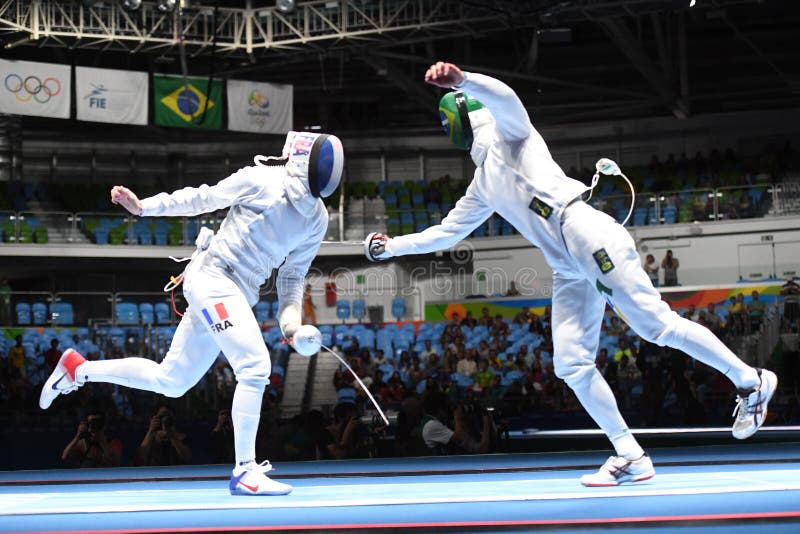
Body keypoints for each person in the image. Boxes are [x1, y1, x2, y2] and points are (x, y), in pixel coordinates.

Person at [364, 61, 777, 486]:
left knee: (657, 327)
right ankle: (630, 454)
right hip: (565, 264)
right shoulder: (483, 184)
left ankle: (752, 381)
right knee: (571, 363)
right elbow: (445, 232)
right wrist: (389, 247)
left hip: (584, 231)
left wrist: (465, 80)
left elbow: (507, 98)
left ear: (463, 120)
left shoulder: (513, 134)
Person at [39, 130, 343, 496]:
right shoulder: (261, 179)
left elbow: (292, 277)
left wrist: (291, 322)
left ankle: (78, 370)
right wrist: (144, 207)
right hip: (212, 277)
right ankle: (245, 471)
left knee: (173, 380)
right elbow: (203, 197)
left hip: (237, 293)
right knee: (255, 366)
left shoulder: (316, 219)